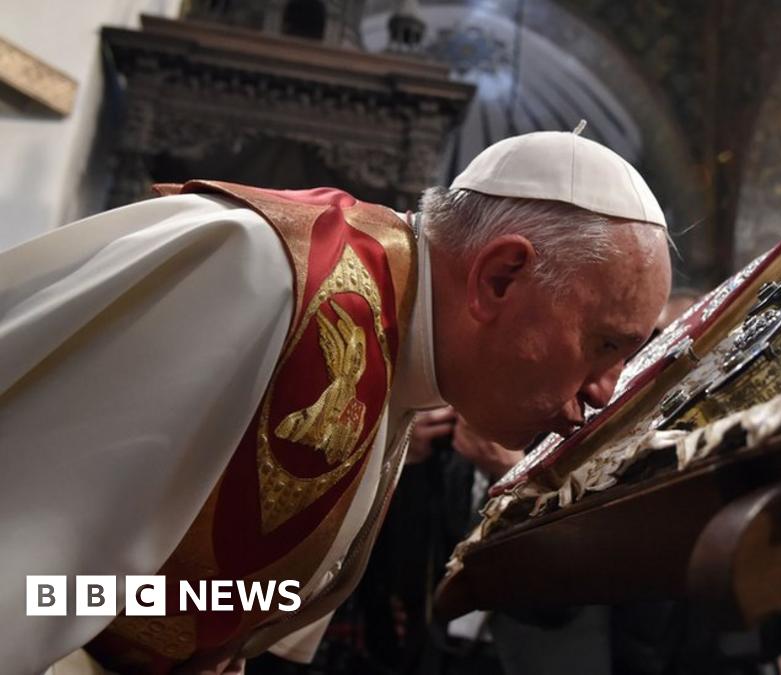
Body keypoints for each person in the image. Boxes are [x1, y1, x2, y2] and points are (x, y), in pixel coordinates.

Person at [0, 129, 672, 674]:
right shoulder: (254, 270)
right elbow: (28, 585)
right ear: (500, 277)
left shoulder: (405, 359)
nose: (603, 393)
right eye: (604, 345)